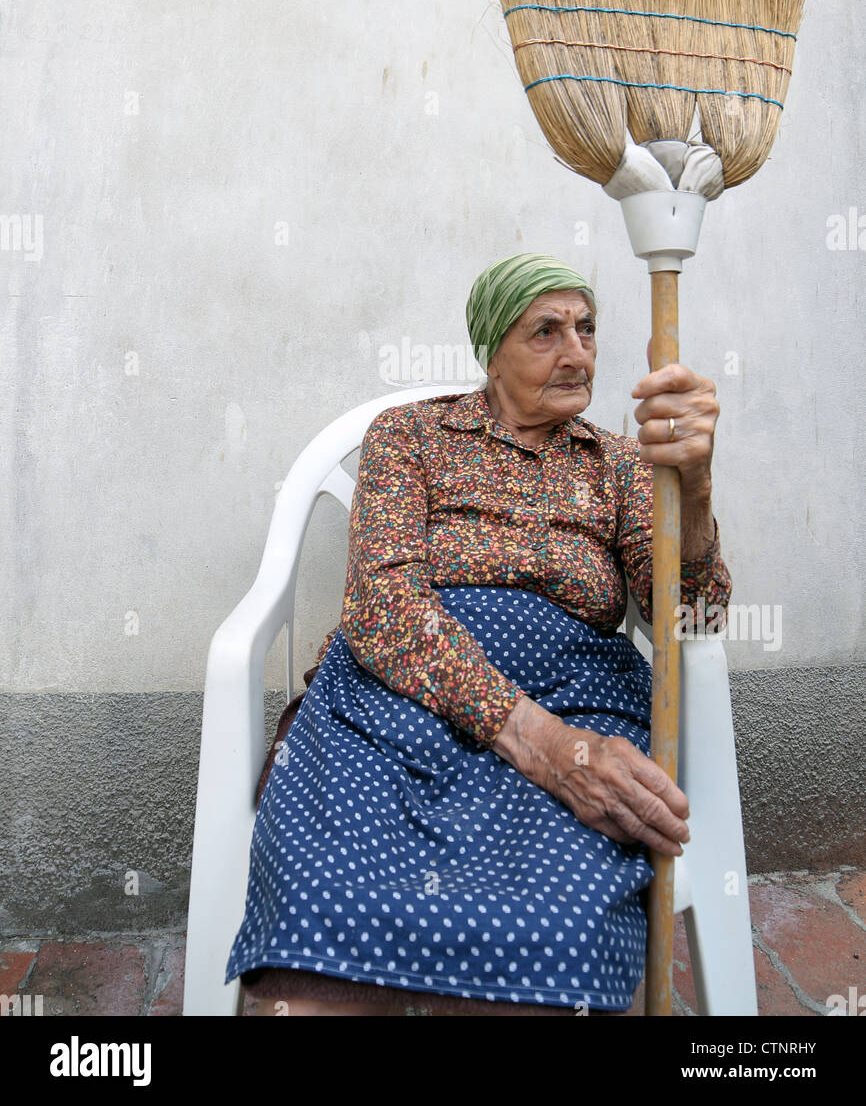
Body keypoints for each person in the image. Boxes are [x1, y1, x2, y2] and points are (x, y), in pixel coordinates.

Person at [225, 253, 731, 1016]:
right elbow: (384, 606)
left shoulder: (623, 464)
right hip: (399, 697)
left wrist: (693, 489)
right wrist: (540, 745)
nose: (579, 352)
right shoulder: (411, 436)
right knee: (320, 902)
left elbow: (691, 618)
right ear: (491, 349)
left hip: (576, 701)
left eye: (587, 329)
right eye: (547, 332)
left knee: (563, 925)